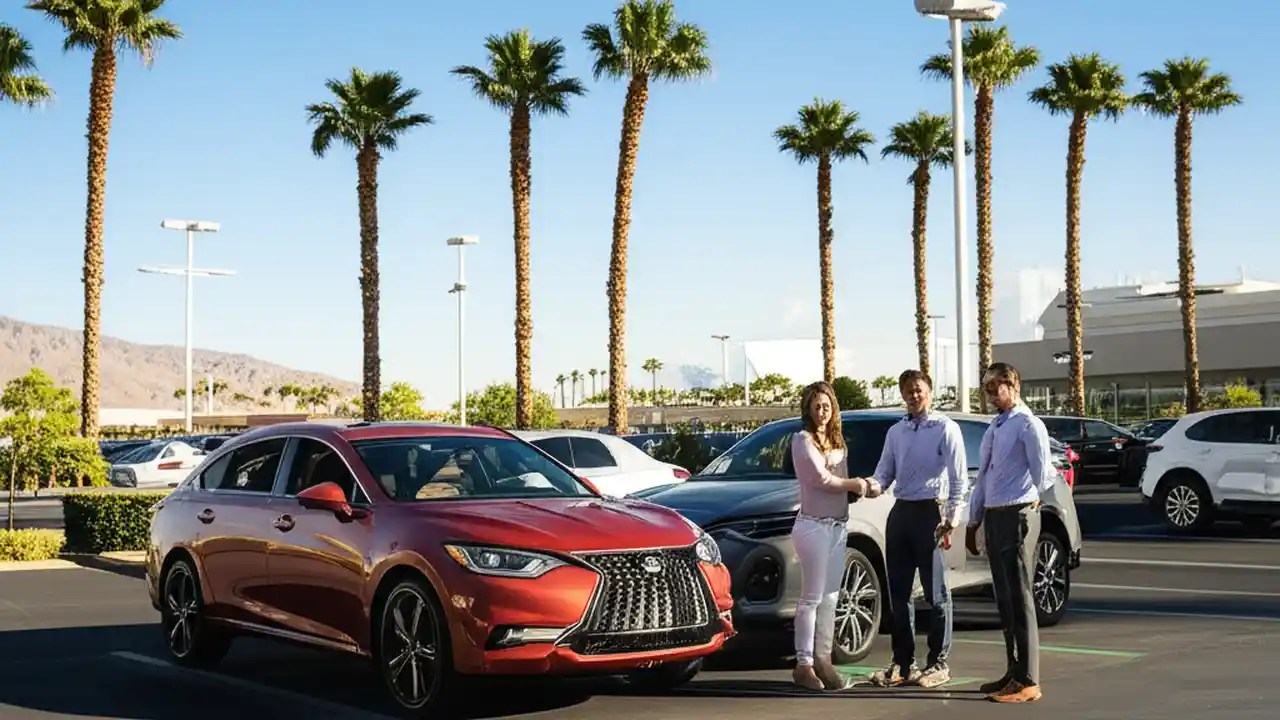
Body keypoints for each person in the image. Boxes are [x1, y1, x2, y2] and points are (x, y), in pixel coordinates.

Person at [865, 369, 967, 689]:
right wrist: (866, 486)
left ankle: (938, 662)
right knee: (899, 593)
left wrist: (951, 518)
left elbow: (958, 478)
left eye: (919, 389)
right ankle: (902, 662)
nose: (914, 395)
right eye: (908, 390)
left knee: (936, 593)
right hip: (901, 512)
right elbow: (884, 473)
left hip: (930, 512)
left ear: (930, 392)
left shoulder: (945, 428)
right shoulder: (896, 432)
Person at [965, 362, 1055, 703]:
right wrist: (974, 521)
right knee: (1003, 599)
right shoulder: (996, 427)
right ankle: (1013, 671)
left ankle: (1029, 680)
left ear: (1012, 385)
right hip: (994, 515)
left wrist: (1029, 506)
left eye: (994, 388)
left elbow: (1042, 474)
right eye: (985, 388)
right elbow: (984, 477)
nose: (989, 395)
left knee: (1020, 598)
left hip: (1017, 513)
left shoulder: (1027, 425)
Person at [789, 380, 870, 691]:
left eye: (827, 406)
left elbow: (841, 482)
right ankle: (804, 663)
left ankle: (823, 658)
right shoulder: (802, 439)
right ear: (808, 409)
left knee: (831, 597)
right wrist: (856, 483)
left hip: (837, 528)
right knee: (811, 597)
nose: (822, 411)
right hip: (813, 526)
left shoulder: (838, 441)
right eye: (816, 406)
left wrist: (858, 488)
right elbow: (821, 479)